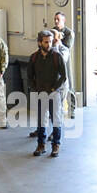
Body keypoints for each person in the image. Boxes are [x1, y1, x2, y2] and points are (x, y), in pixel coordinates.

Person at [28, 29, 68, 157]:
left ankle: (56, 144)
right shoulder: (34, 58)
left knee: (56, 119)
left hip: (54, 93)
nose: (49, 44)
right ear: (39, 43)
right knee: (41, 120)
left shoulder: (57, 56)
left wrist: (54, 88)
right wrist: (35, 88)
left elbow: (64, 76)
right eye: (46, 42)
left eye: (50, 41)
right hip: (41, 93)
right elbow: (29, 76)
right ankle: (41, 145)